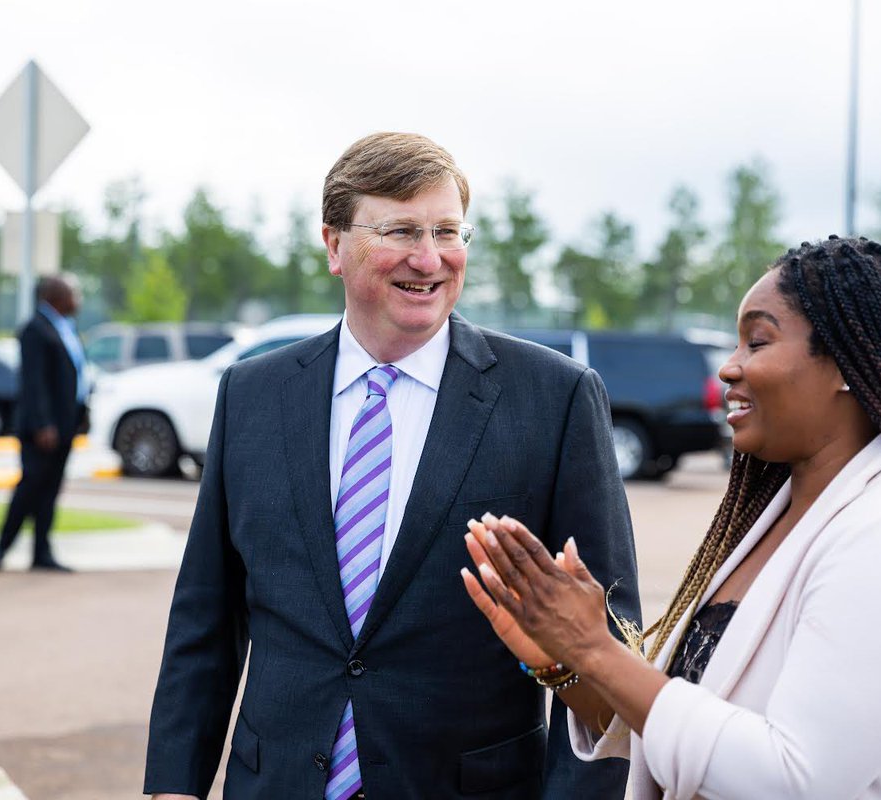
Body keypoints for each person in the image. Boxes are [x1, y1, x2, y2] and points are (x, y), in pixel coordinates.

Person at [143, 132, 641, 800]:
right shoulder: (252, 396)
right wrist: (174, 786)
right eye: (402, 230)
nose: (430, 258)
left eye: (447, 231)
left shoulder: (554, 399)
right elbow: (206, 621)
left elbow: (606, 642)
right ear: (333, 245)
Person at [466, 236, 881, 798]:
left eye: (757, 341)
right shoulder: (773, 524)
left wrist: (593, 648)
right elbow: (686, 741)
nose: (729, 368)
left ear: (851, 362)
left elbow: (791, 778)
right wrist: (566, 664)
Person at [0, 274, 88, 572]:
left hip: (66, 425)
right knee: (30, 487)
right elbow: (34, 383)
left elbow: (75, 376)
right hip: (43, 430)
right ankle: (1, 549)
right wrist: (44, 424)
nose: (78, 299)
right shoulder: (35, 329)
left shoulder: (65, 327)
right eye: (74, 293)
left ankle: (41, 552)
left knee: (51, 490)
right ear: (54, 296)